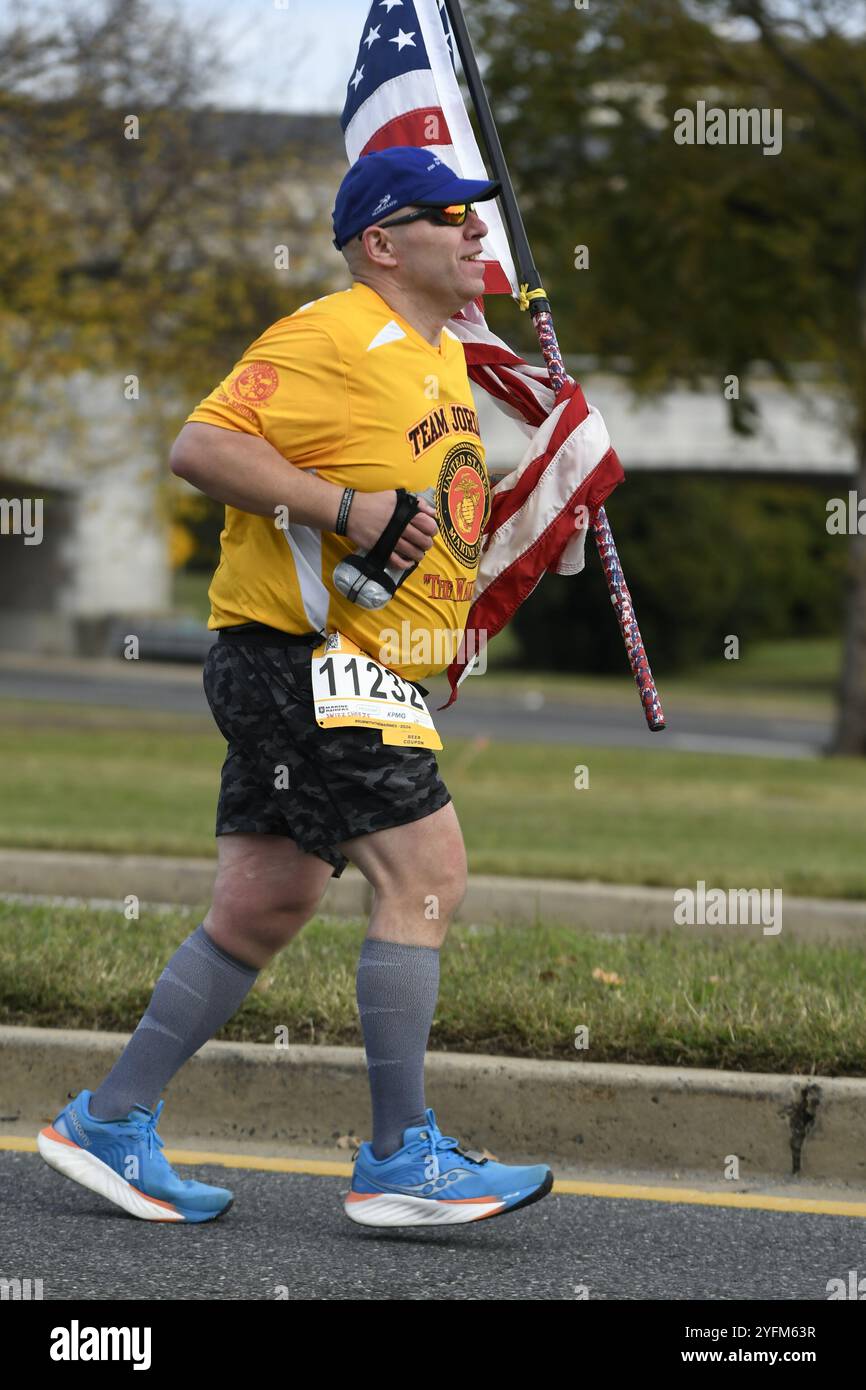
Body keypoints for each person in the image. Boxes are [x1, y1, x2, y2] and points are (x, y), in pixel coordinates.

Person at [38, 146, 553, 1228]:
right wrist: (337, 508)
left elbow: (432, 509)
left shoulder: (439, 360)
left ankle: (108, 1120)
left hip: (347, 665)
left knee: (266, 900)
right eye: (448, 217)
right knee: (424, 870)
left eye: (475, 217)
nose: (474, 233)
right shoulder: (327, 334)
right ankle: (399, 1159)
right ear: (381, 242)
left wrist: (532, 513)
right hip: (309, 656)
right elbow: (201, 445)